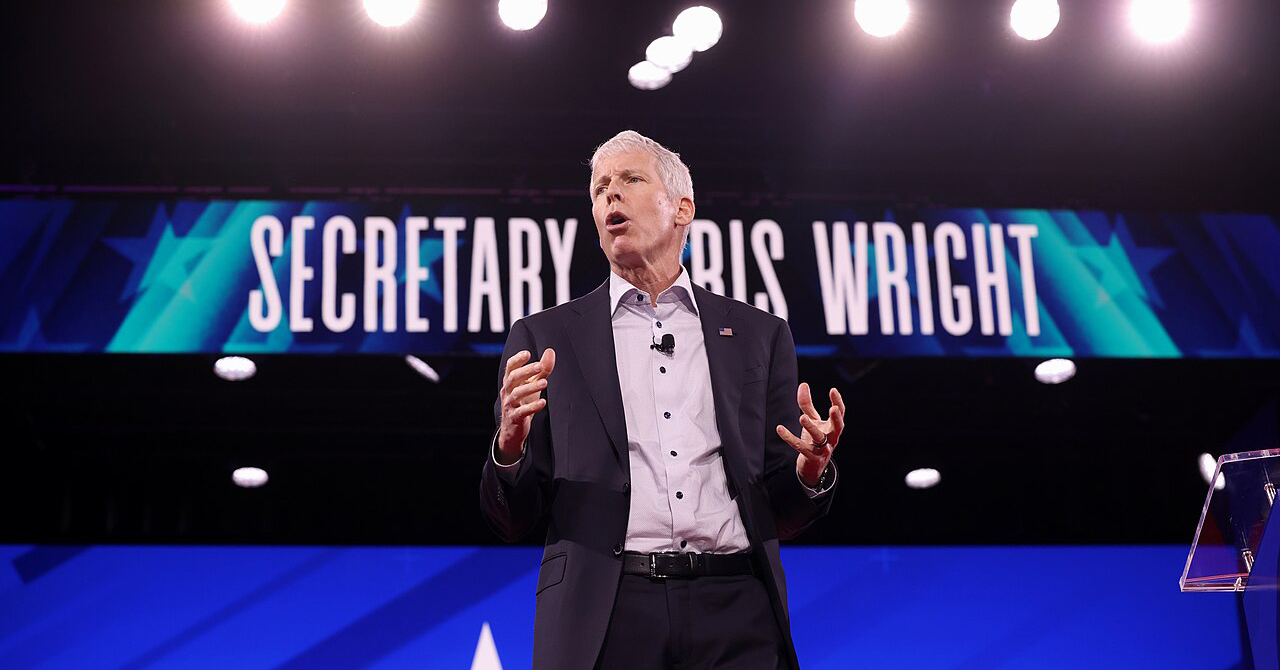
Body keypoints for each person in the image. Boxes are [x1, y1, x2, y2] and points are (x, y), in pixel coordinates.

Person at [480, 130, 845, 670]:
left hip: (736, 605)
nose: (610, 194)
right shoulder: (545, 338)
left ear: (682, 209)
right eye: (600, 188)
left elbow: (781, 511)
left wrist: (810, 472)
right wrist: (509, 448)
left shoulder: (758, 334)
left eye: (630, 179)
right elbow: (511, 519)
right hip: (608, 611)